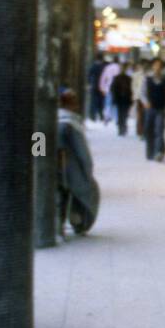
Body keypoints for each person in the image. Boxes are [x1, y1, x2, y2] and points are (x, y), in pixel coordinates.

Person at [57, 89, 100, 235]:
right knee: (87, 190)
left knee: (59, 195)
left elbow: (37, 150)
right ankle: (79, 221)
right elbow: (83, 154)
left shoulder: (43, 124)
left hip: (51, 171)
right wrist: (88, 172)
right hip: (69, 170)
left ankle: (58, 224)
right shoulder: (72, 125)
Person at [141, 59, 165, 161]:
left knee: (159, 130)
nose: (158, 67)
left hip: (161, 108)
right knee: (149, 131)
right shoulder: (147, 79)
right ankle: (150, 152)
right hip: (150, 108)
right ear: (152, 66)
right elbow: (142, 93)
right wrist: (145, 102)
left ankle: (159, 152)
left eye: (159, 65)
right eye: (156, 65)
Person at [110, 63, 134, 137]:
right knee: (121, 113)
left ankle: (123, 126)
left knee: (124, 113)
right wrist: (114, 97)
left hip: (126, 99)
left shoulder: (129, 79)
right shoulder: (116, 78)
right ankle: (121, 127)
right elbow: (113, 89)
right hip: (119, 99)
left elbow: (131, 89)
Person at [98, 56, 120, 123]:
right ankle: (116, 118)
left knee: (108, 103)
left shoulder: (107, 67)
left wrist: (101, 87)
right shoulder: (119, 68)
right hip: (117, 88)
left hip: (108, 87)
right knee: (116, 103)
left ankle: (106, 116)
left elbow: (103, 78)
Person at [86, 56, 106, 122]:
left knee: (94, 101)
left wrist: (89, 83)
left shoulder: (93, 66)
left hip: (94, 85)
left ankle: (93, 116)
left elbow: (89, 75)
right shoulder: (103, 67)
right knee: (101, 101)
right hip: (101, 86)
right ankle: (101, 116)